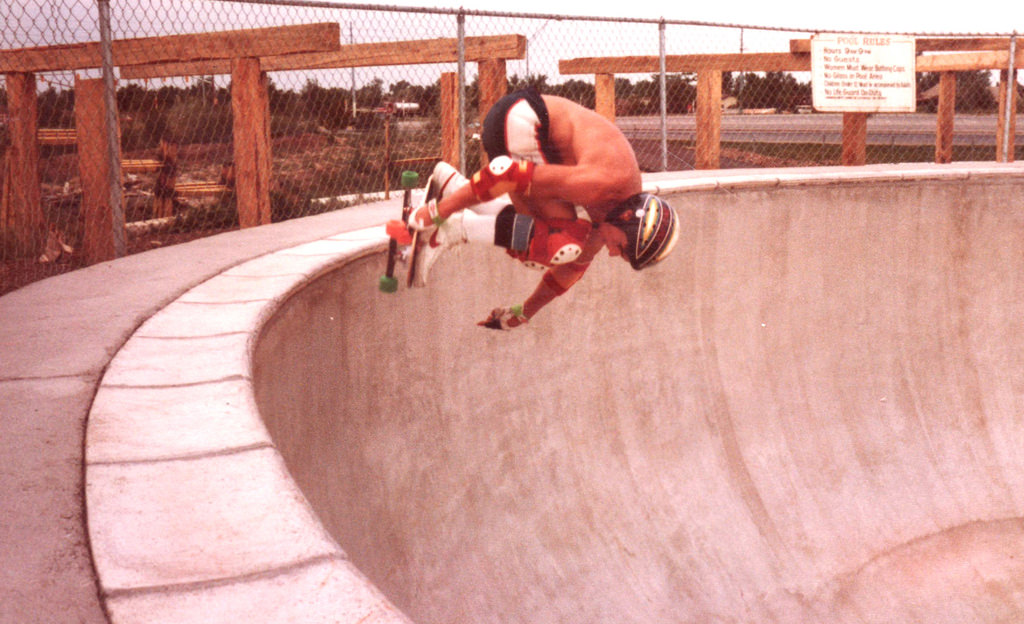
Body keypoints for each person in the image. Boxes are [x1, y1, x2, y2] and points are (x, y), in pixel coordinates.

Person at [404, 87, 679, 330]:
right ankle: (448, 230)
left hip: (522, 123)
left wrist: (523, 313)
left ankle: (451, 183)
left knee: (544, 237)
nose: (611, 252)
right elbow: (506, 175)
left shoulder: (617, 210)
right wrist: (438, 212)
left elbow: (575, 267)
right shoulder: (601, 184)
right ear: (628, 217)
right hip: (521, 120)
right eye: (620, 247)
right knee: (560, 241)